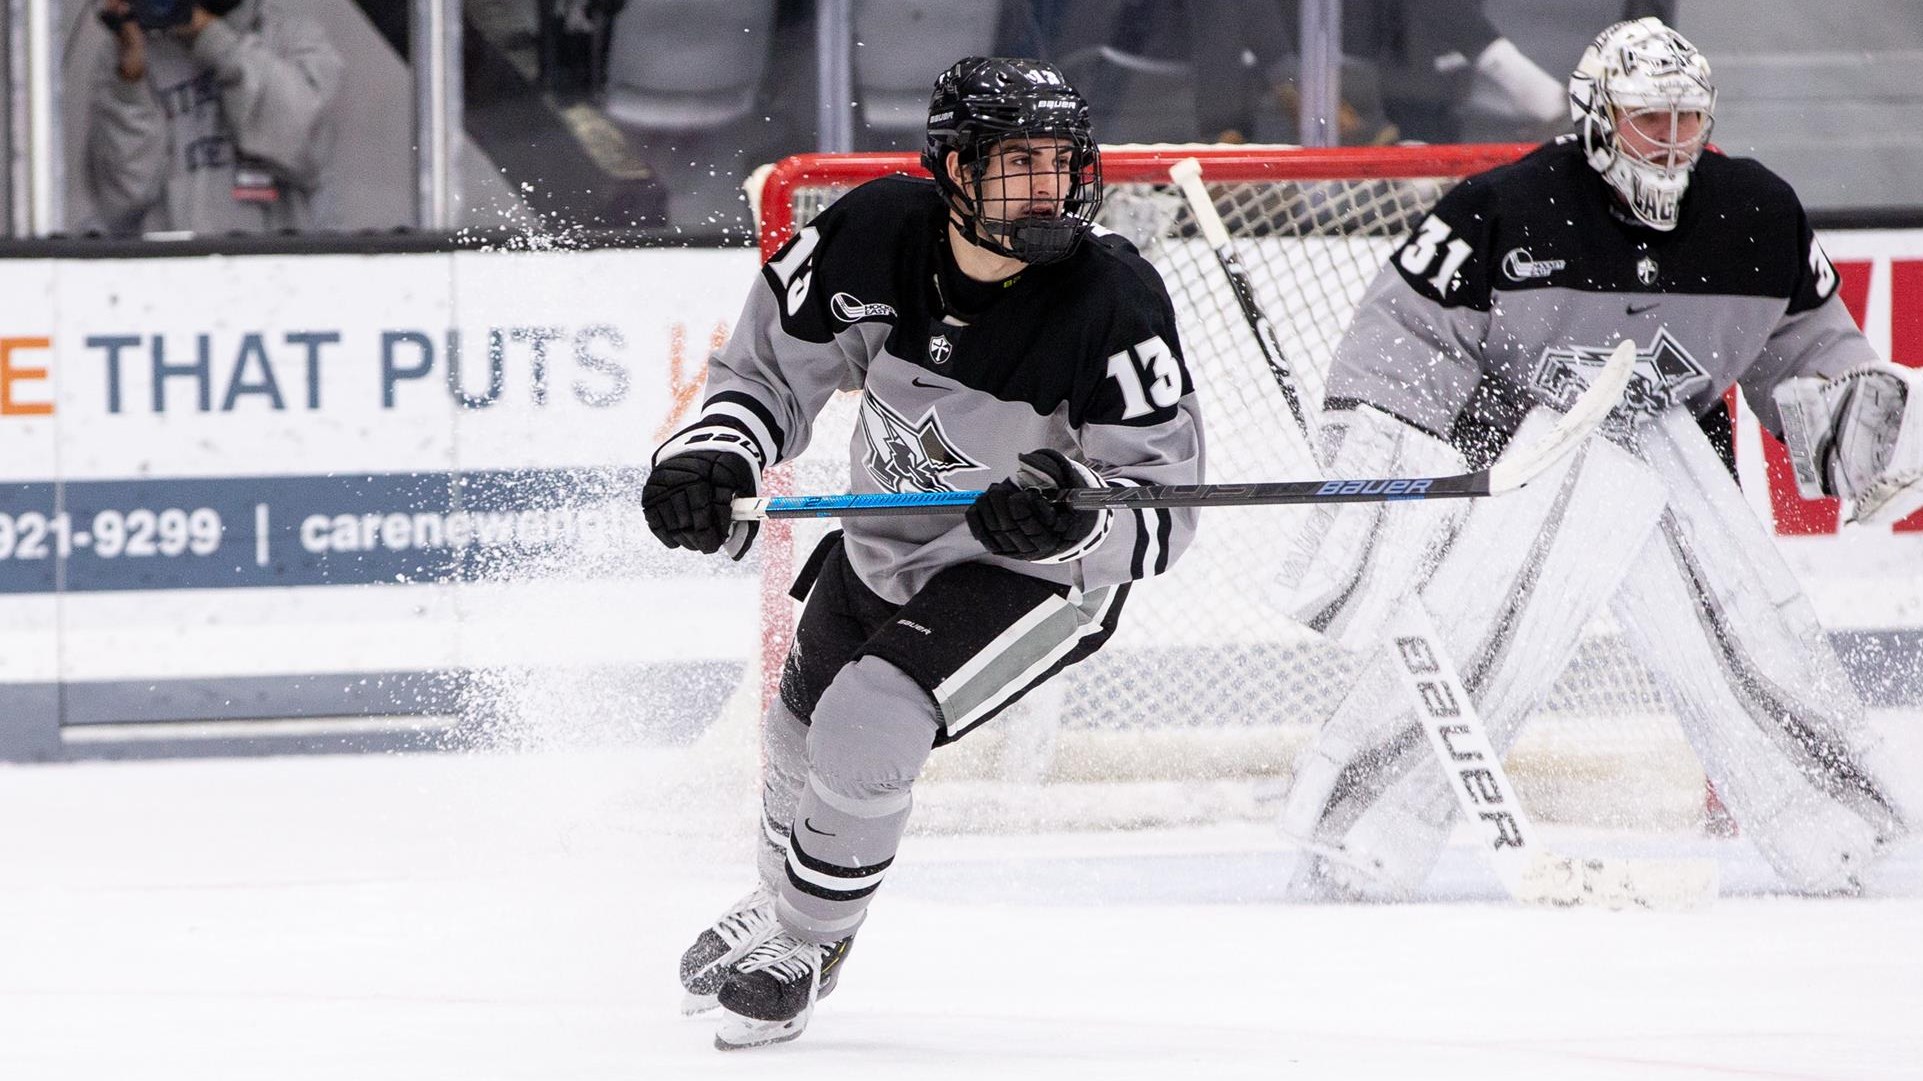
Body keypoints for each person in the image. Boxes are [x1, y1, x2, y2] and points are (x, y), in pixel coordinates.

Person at [1274, 17, 1916, 901]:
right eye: (1648, 118)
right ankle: (1356, 837)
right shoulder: (1502, 207)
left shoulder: (1756, 213)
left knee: (1735, 635)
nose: (1672, 140)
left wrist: (1850, 421)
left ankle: (1836, 828)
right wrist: (1380, 458)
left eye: (1688, 119)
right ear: (1596, 117)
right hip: (1519, 448)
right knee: (1476, 637)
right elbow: (1403, 335)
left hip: (1674, 443)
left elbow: (1807, 342)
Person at [643, 57, 1203, 1050]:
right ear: (951, 169)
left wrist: (1074, 516)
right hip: (885, 540)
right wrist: (714, 453)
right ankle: (779, 899)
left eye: (1060, 161)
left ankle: (808, 941)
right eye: (1017, 162)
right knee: (794, 733)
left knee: (868, 720)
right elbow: (763, 375)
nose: (1048, 186)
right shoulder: (869, 234)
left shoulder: (1113, 298)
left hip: (1035, 573)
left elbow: (1165, 510)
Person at [85, 0, 344, 236]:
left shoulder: (292, 36)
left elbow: (306, 148)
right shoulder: (131, 49)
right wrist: (130, 80)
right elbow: (120, 197)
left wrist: (211, 36)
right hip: (168, 264)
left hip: (278, 262)